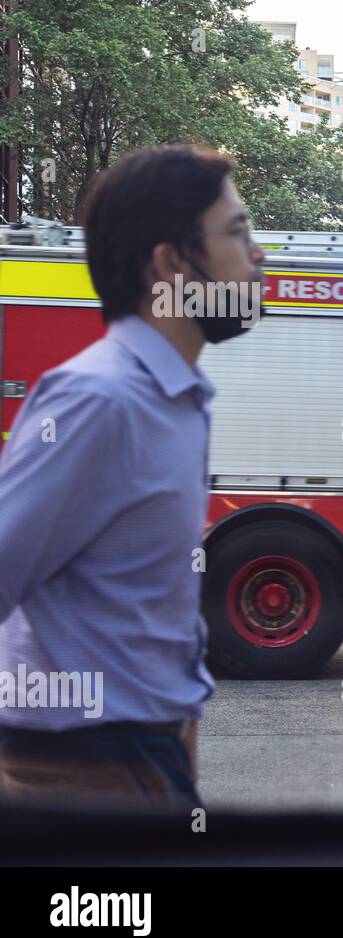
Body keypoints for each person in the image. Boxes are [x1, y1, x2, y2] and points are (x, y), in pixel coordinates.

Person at [0, 146, 266, 806]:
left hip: (147, 758)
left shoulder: (175, 397)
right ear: (170, 263)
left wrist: (182, 744)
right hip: (79, 772)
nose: (258, 255)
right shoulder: (101, 401)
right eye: (236, 231)